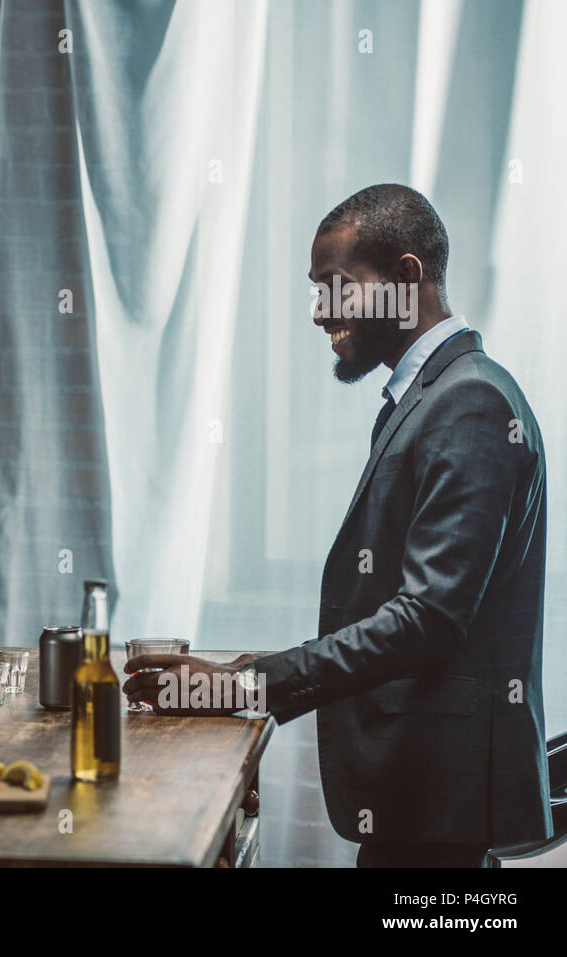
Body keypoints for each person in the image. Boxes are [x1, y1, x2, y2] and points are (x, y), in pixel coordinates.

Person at [124, 185, 551, 868]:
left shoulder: (468, 400)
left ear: (407, 278)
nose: (321, 312)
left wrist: (245, 687)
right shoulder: (434, 398)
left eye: (337, 287)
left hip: (438, 812)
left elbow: (428, 618)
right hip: (421, 807)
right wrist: (234, 672)